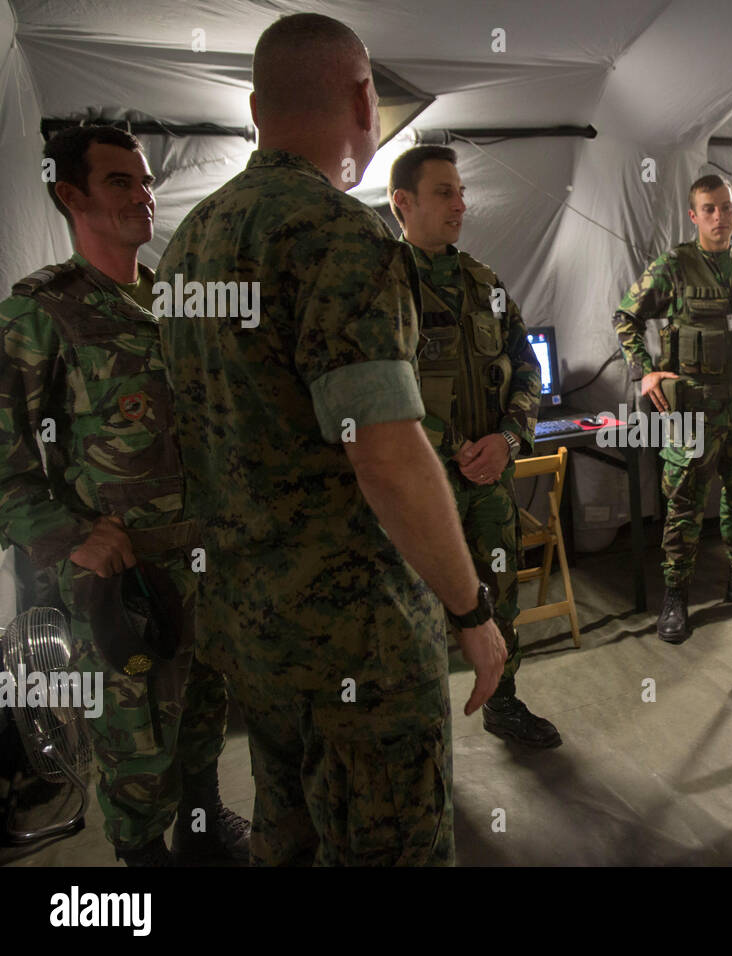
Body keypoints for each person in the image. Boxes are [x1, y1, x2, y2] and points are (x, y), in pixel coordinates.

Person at [156, 13, 506, 866]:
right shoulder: (340, 236)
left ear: (253, 106)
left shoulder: (188, 245)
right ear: (363, 99)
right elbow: (386, 457)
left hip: (250, 628)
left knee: (289, 834)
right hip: (356, 637)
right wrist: (471, 610)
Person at [0, 125, 247, 866]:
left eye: (144, 181)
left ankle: (204, 827)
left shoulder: (177, 298)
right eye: (120, 182)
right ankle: (143, 864)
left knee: (203, 720)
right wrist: (67, 536)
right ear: (70, 195)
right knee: (136, 754)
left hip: (206, 565)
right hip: (125, 582)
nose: (143, 195)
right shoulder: (43, 312)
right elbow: (8, 467)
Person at [388, 145, 561, 748]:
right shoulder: (383, 286)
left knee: (499, 589)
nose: (460, 204)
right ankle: (421, 728)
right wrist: (460, 445)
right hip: (419, 486)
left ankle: (503, 700)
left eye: (462, 192)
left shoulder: (484, 284)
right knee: (415, 608)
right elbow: (380, 390)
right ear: (401, 202)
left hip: (489, 479)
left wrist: (508, 438)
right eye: (444, 192)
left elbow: (525, 365)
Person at [613, 175, 732, 643]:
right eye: (709, 210)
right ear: (694, 215)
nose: (719, 218)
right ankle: (676, 596)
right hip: (695, 408)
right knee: (685, 506)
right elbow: (626, 317)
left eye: (726, 208)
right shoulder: (675, 265)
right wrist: (644, 371)